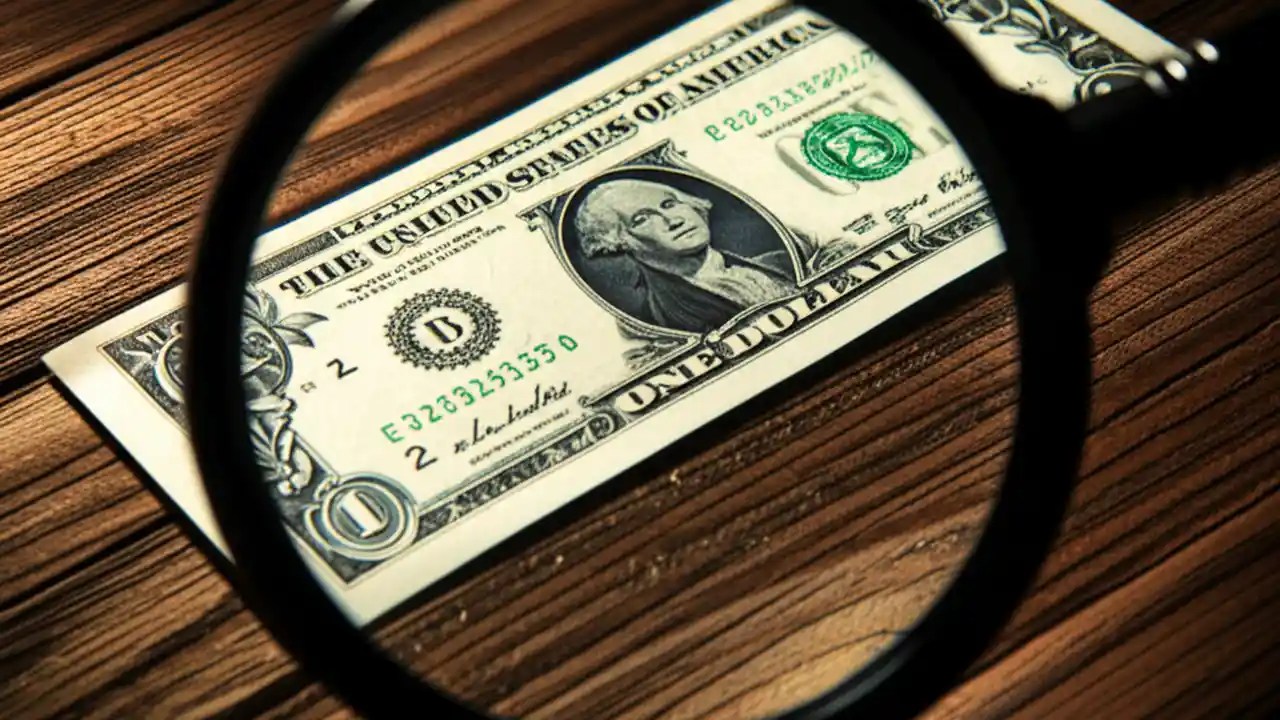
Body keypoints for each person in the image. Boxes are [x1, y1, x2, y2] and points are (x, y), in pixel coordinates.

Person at [574, 178, 796, 333]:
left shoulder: (780, 262)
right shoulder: (659, 321)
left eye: (669, 204)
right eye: (642, 219)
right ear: (619, 242)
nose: (673, 221)